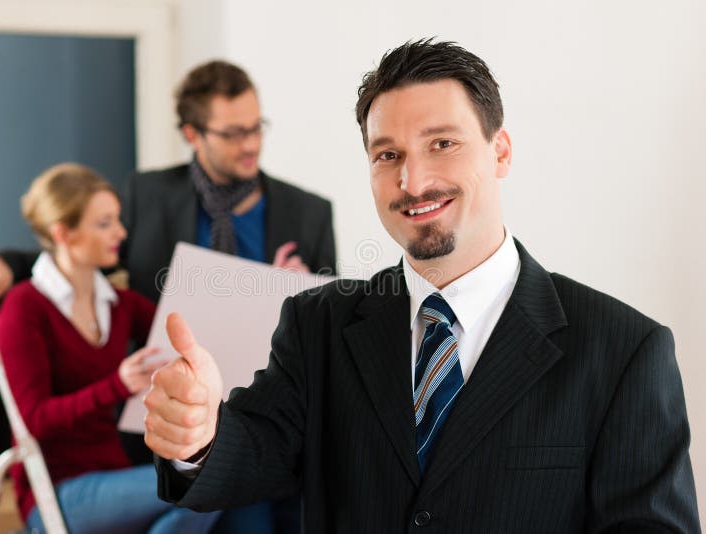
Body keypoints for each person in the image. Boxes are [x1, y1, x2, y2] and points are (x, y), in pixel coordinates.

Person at [143, 39, 700, 532]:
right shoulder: (319, 324)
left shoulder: (624, 350)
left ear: (500, 150)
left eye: (442, 144)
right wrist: (199, 434)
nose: (413, 181)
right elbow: (256, 449)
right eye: (388, 155)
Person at [0, 60, 328, 532]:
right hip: (158, 433)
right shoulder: (147, 196)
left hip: (260, 423)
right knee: (198, 491)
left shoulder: (309, 213)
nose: (252, 143)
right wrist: (4, 263)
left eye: (257, 126)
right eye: (234, 132)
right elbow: (79, 243)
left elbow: (327, 330)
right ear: (192, 134)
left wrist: (289, 291)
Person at [0, 163, 220, 533]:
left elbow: (197, 334)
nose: (120, 232)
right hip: (57, 491)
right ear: (63, 233)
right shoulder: (25, 307)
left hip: (114, 480)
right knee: (206, 487)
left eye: (117, 219)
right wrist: (117, 385)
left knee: (221, 484)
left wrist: (270, 281)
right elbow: (33, 420)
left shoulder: (120, 304)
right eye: (104, 223)